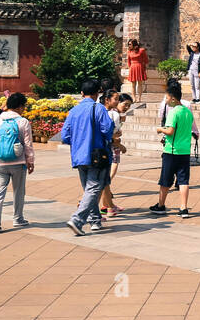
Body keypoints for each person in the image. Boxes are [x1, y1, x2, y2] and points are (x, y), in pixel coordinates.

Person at [58, 79, 114, 236]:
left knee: (89, 188)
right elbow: (107, 129)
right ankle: (77, 220)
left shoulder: (74, 111)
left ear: (82, 93)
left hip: (79, 155)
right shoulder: (99, 108)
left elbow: (65, 135)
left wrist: (79, 142)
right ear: (98, 93)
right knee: (94, 187)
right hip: (96, 154)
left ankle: (95, 220)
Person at [0, 91, 34, 234]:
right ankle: (18, 218)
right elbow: (28, 144)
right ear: (19, 107)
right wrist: (30, 161)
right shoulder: (23, 122)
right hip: (18, 162)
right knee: (19, 191)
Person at [152, 79, 194, 219]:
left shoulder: (174, 112)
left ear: (173, 98)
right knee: (183, 180)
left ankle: (161, 205)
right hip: (185, 151)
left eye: (167, 97)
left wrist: (160, 129)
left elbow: (170, 130)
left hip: (172, 150)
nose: (166, 100)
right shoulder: (188, 112)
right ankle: (184, 208)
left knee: (165, 180)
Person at [100, 91, 133, 217]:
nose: (126, 107)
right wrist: (119, 144)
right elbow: (108, 134)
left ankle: (107, 206)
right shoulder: (112, 114)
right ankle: (85, 203)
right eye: (124, 103)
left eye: (129, 105)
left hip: (112, 146)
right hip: (111, 147)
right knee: (106, 178)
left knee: (105, 179)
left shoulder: (115, 114)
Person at [126, 39, 149, 104]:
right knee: (133, 84)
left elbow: (146, 60)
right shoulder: (129, 52)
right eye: (128, 44)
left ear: (134, 44)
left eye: (130, 44)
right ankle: (134, 98)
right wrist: (130, 68)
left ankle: (139, 98)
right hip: (133, 67)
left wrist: (143, 67)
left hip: (139, 66)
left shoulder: (141, 50)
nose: (129, 46)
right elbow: (128, 61)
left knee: (140, 84)